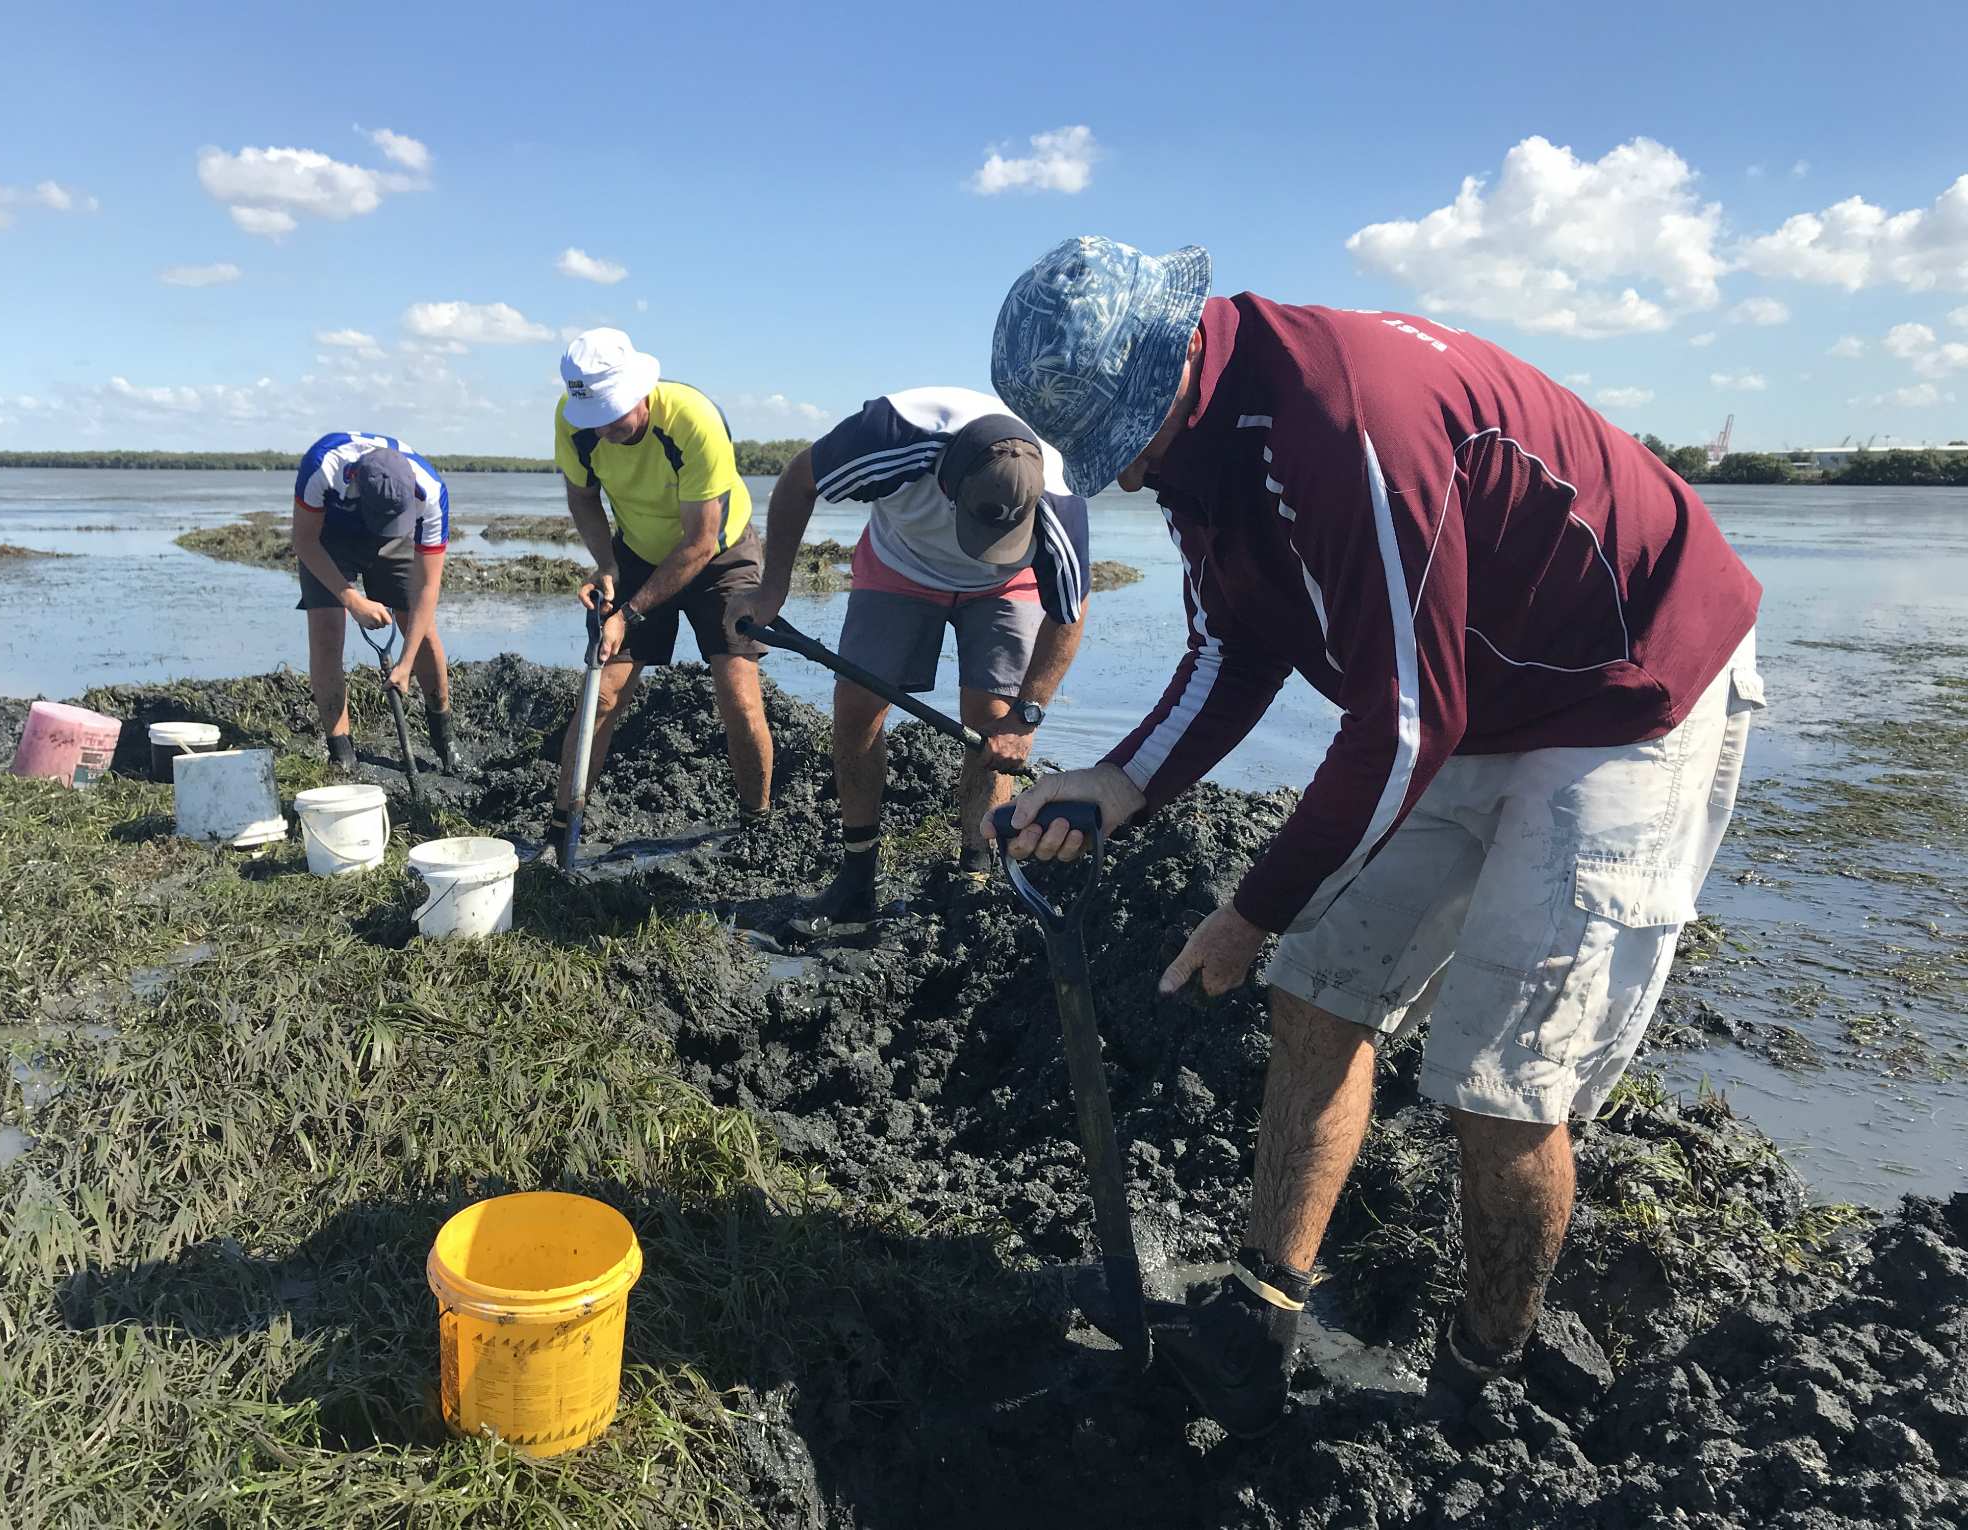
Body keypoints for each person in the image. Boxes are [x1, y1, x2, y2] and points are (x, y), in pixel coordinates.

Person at [988, 236, 1764, 1436]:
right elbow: (1226, 648)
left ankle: (1482, 1375)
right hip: (1480, 694)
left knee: (1503, 1086)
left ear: (1175, 358)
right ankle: (1259, 1315)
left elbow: (1401, 727)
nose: (1129, 478)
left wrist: (1249, 913)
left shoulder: (1344, 421)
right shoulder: (1199, 456)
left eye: (1127, 440)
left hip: (1628, 694)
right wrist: (1112, 782)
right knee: (1320, 990)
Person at [725, 389, 1092, 922]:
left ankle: (977, 874)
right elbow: (798, 481)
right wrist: (771, 588)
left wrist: (1029, 714)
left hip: (1004, 586)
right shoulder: (889, 436)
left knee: (994, 723)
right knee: (857, 711)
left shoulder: (1058, 496)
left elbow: (1070, 611)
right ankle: (856, 878)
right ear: (947, 481)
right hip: (901, 567)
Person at [547, 328, 773, 848]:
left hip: (721, 556)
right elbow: (583, 498)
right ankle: (562, 828)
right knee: (602, 694)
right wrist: (606, 566)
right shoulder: (574, 421)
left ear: (639, 389)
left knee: (737, 694)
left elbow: (699, 543)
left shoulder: (692, 420)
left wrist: (630, 610)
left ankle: (757, 825)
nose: (603, 429)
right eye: (594, 418)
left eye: (613, 414)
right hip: (638, 551)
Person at [290, 432, 462, 773]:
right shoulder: (322, 467)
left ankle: (445, 741)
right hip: (330, 537)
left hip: (396, 541)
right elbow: (304, 540)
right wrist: (351, 599)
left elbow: (427, 587)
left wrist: (405, 663)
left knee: (422, 632)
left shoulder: (430, 491)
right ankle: (341, 752)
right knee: (326, 634)